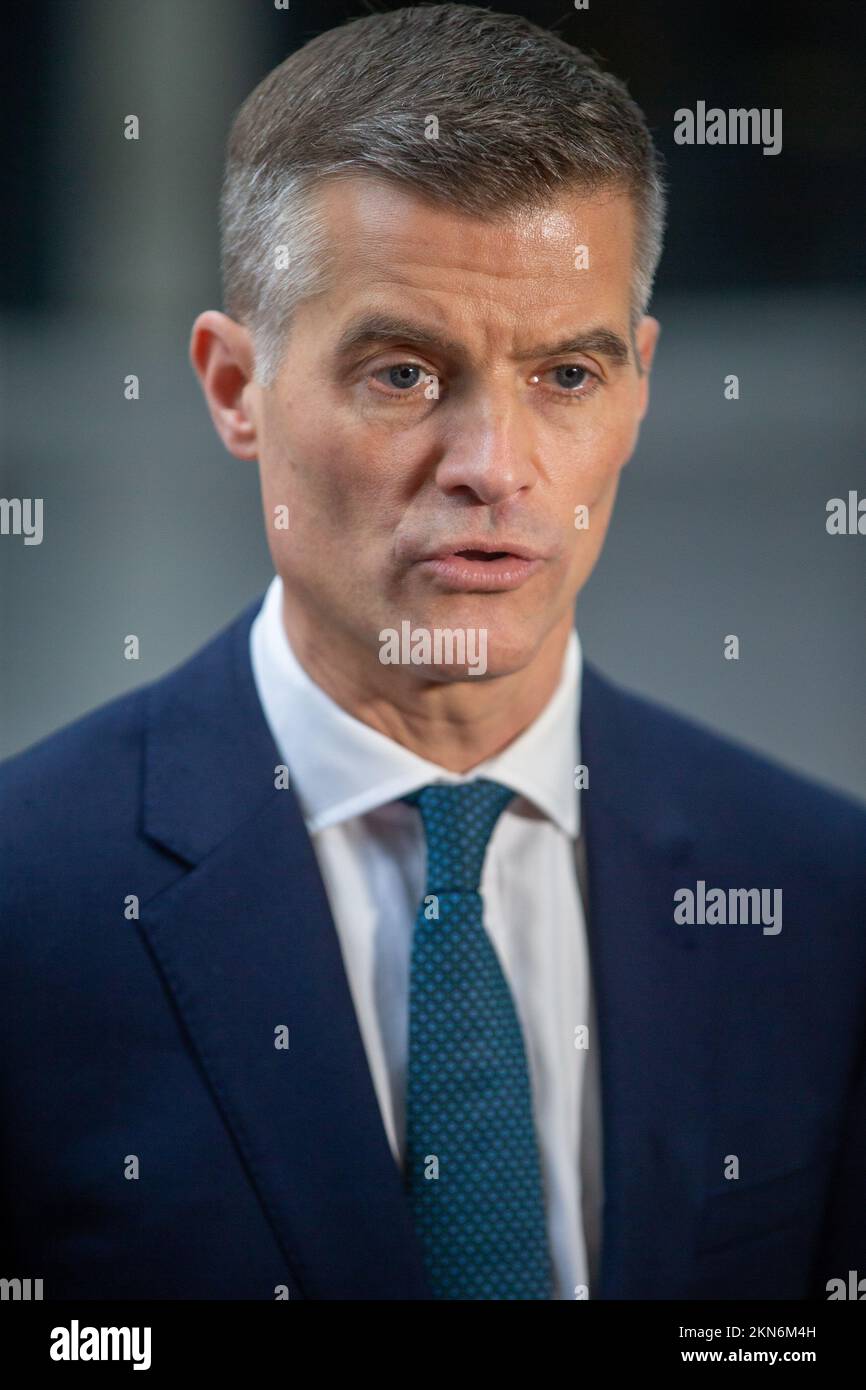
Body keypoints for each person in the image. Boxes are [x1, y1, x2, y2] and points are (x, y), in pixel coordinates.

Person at [1, 4, 864, 1301]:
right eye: (403, 372)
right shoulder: (25, 905)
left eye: (564, 376)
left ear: (636, 388)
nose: (492, 468)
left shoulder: (822, 896)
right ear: (235, 388)